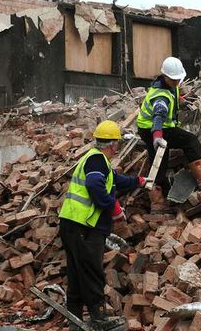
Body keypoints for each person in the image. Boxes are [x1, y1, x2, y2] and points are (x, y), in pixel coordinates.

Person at [58, 120, 146, 331]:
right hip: (84, 226)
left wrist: (138, 181)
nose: (117, 148)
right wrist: (114, 210)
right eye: (117, 144)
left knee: (77, 272)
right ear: (113, 144)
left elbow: (114, 180)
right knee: (91, 271)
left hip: (72, 224)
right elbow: (95, 185)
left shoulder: (95, 160)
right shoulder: (97, 161)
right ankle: (98, 318)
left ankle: (74, 321)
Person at [136, 56, 201, 191]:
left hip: (147, 128)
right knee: (190, 140)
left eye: (178, 79)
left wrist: (180, 100)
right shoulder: (161, 96)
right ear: (165, 76)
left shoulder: (168, 85)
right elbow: (158, 117)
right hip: (154, 129)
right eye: (173, 79)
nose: (176, 82)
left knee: (159, 162)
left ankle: (157, 199)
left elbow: (173, 94)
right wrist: (157, 136)